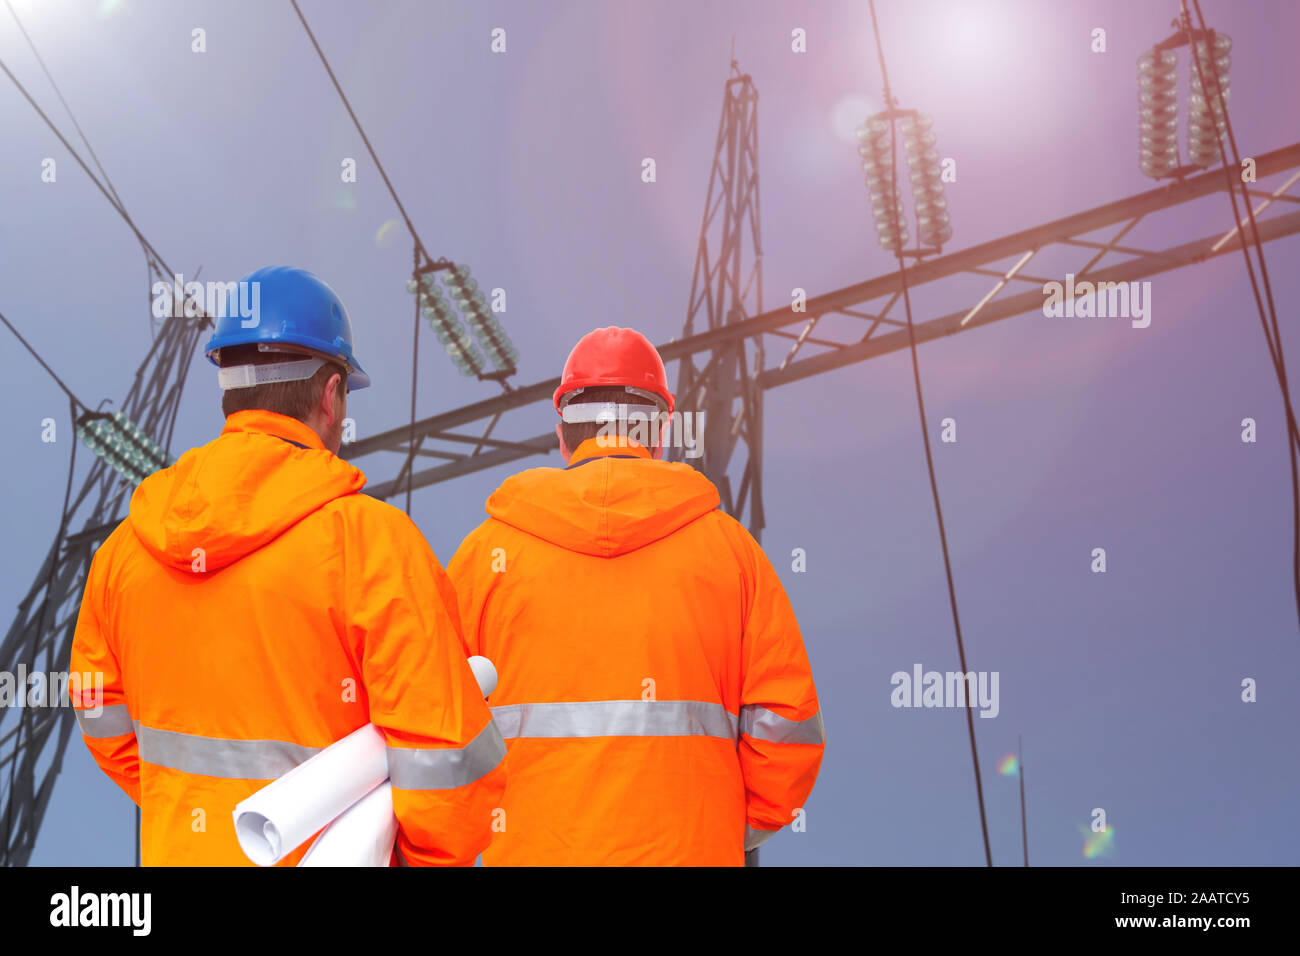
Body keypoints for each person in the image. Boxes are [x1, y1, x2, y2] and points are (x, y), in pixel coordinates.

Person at [69, 266, 505, 866]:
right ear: (330, 394)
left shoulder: (124, 552)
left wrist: (195, 816)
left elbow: (99, 713)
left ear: (230, 388)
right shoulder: (372, 545)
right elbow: (447, 762)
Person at [448, 326, 824, 865]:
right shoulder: (730, 553)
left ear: (563, 434)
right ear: (660, 430)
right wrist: (717, 825)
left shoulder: (486, 556)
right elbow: (788, 732)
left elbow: (433, 731)